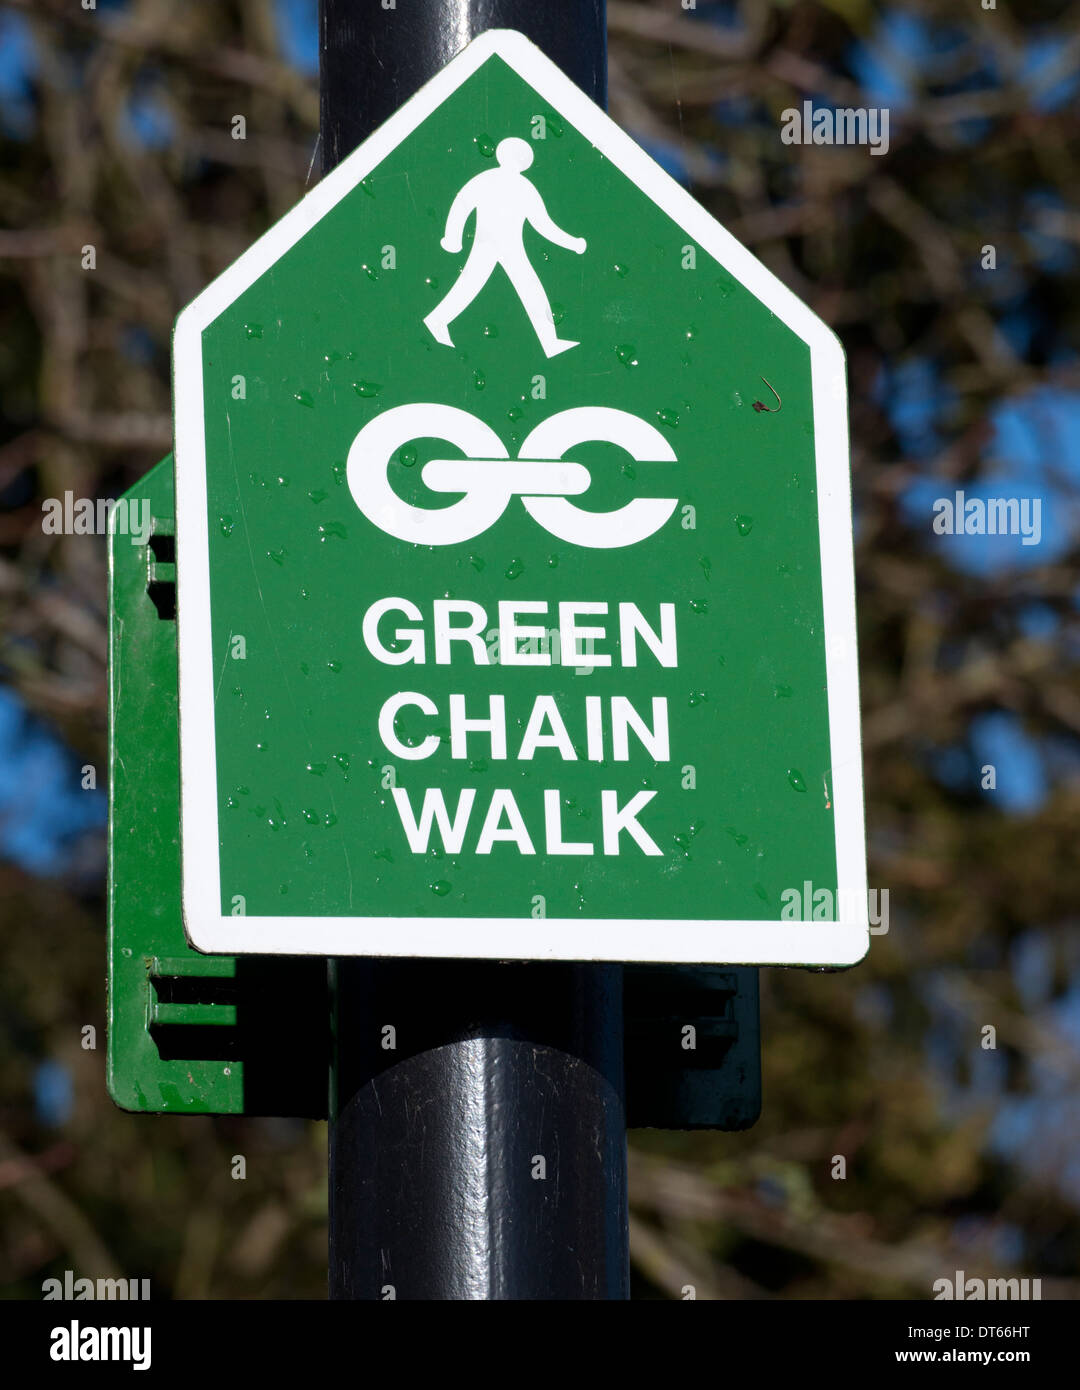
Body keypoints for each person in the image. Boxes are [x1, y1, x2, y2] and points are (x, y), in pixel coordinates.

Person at [423, 137, 587, 357]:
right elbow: (462, 205)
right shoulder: (500, 182)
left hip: (509, 247)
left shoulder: (517, 186)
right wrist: (452, 238)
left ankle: (550, 342)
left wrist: (572, 243)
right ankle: (436, 321)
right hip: (487, 244)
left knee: (526, 288)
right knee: (475, 286)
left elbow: (543, 224)